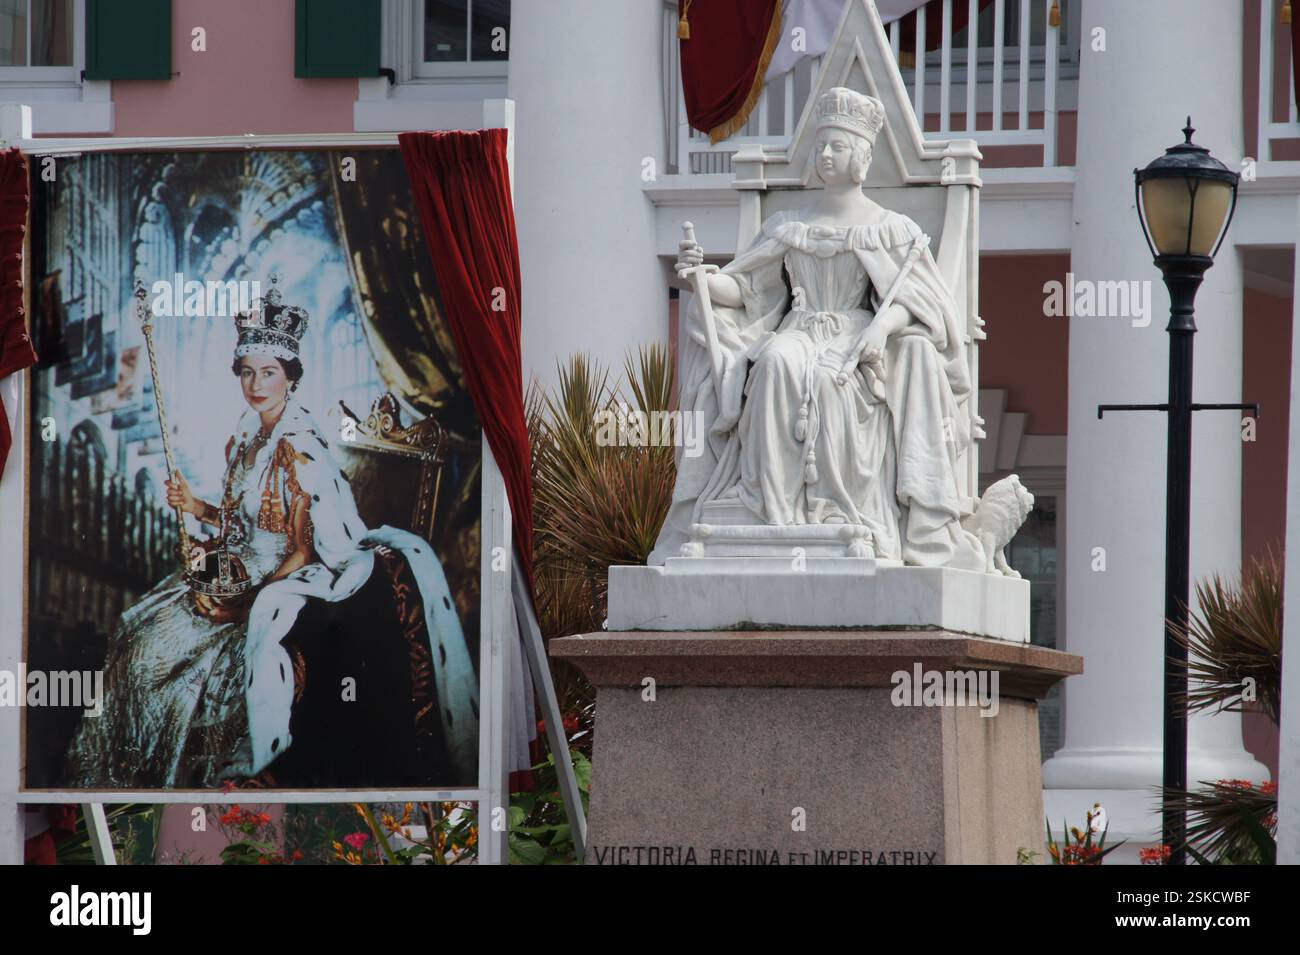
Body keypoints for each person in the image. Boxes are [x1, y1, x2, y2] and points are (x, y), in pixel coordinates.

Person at [64, 287, 479, 788]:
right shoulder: (247, 438)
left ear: (291, 378)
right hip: (235, 570)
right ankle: (119, 793)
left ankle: (193, 795)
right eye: (247, 372)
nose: (256, 384)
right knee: (137, 635)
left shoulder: (300, 450)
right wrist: (197, 508)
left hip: (281, 578)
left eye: (269, 373)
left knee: (174, 674)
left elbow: (305, 547)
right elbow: (244, 521)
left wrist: (244, 601)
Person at [652, 87, 985, 570]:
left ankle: (842, 514)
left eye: (839, 146)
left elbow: (918, 300)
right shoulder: (789, 226)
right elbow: (747, 290)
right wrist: (702, 277)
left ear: (862, 157)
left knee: (834, 384)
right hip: (798, 328)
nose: (826, 155)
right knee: (771, 363)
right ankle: (771, 508)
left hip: (856, 336)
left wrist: (881, 329)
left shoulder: (892, 230)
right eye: (822, 145)